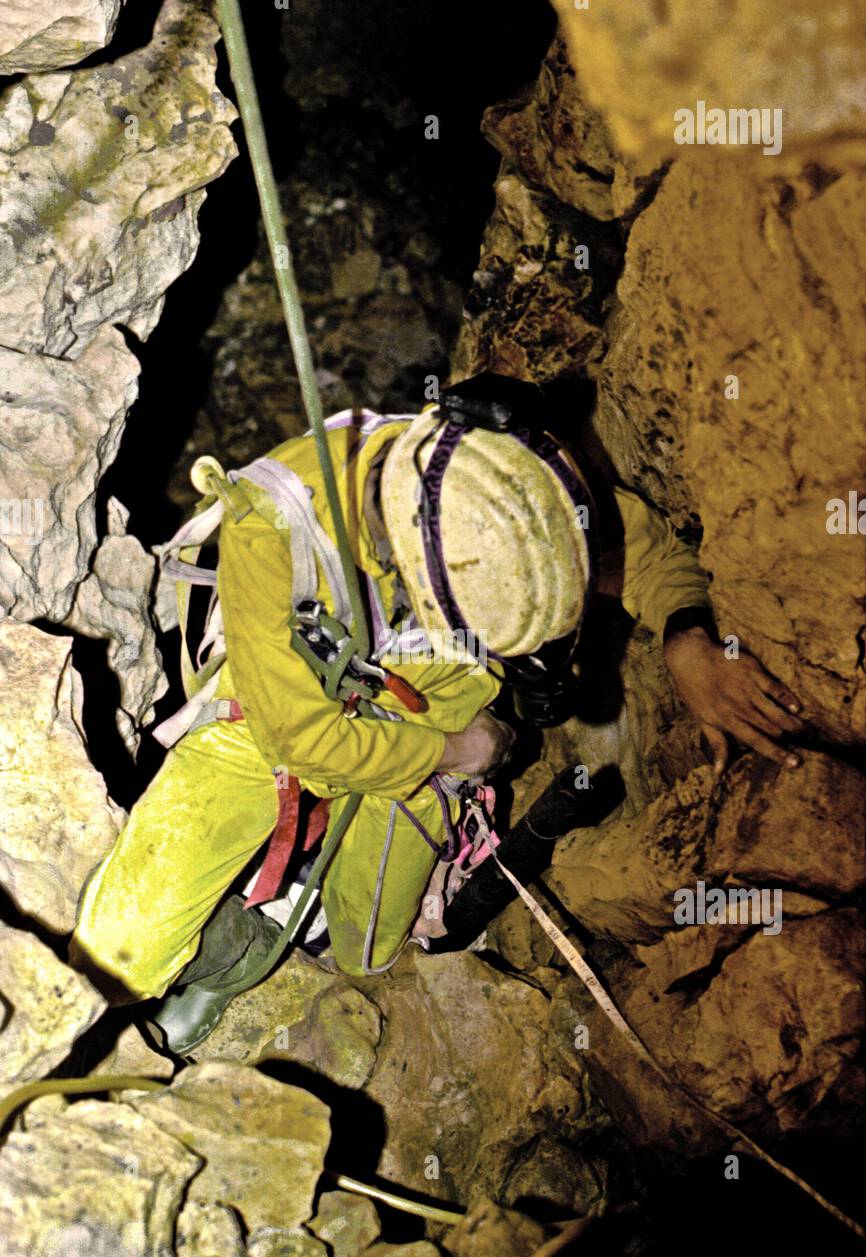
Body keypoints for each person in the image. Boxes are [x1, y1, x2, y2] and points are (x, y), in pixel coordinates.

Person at [69, 376, 805, 1050]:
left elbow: (644, 556)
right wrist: (461, 751)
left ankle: (303, 906)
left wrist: (687, 639)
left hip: (420, 730)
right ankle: (231, 950)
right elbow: (306, 740)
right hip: (275, 724)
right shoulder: (277, 521)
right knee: (118, 950)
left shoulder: (515, 483)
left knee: (365, 953)